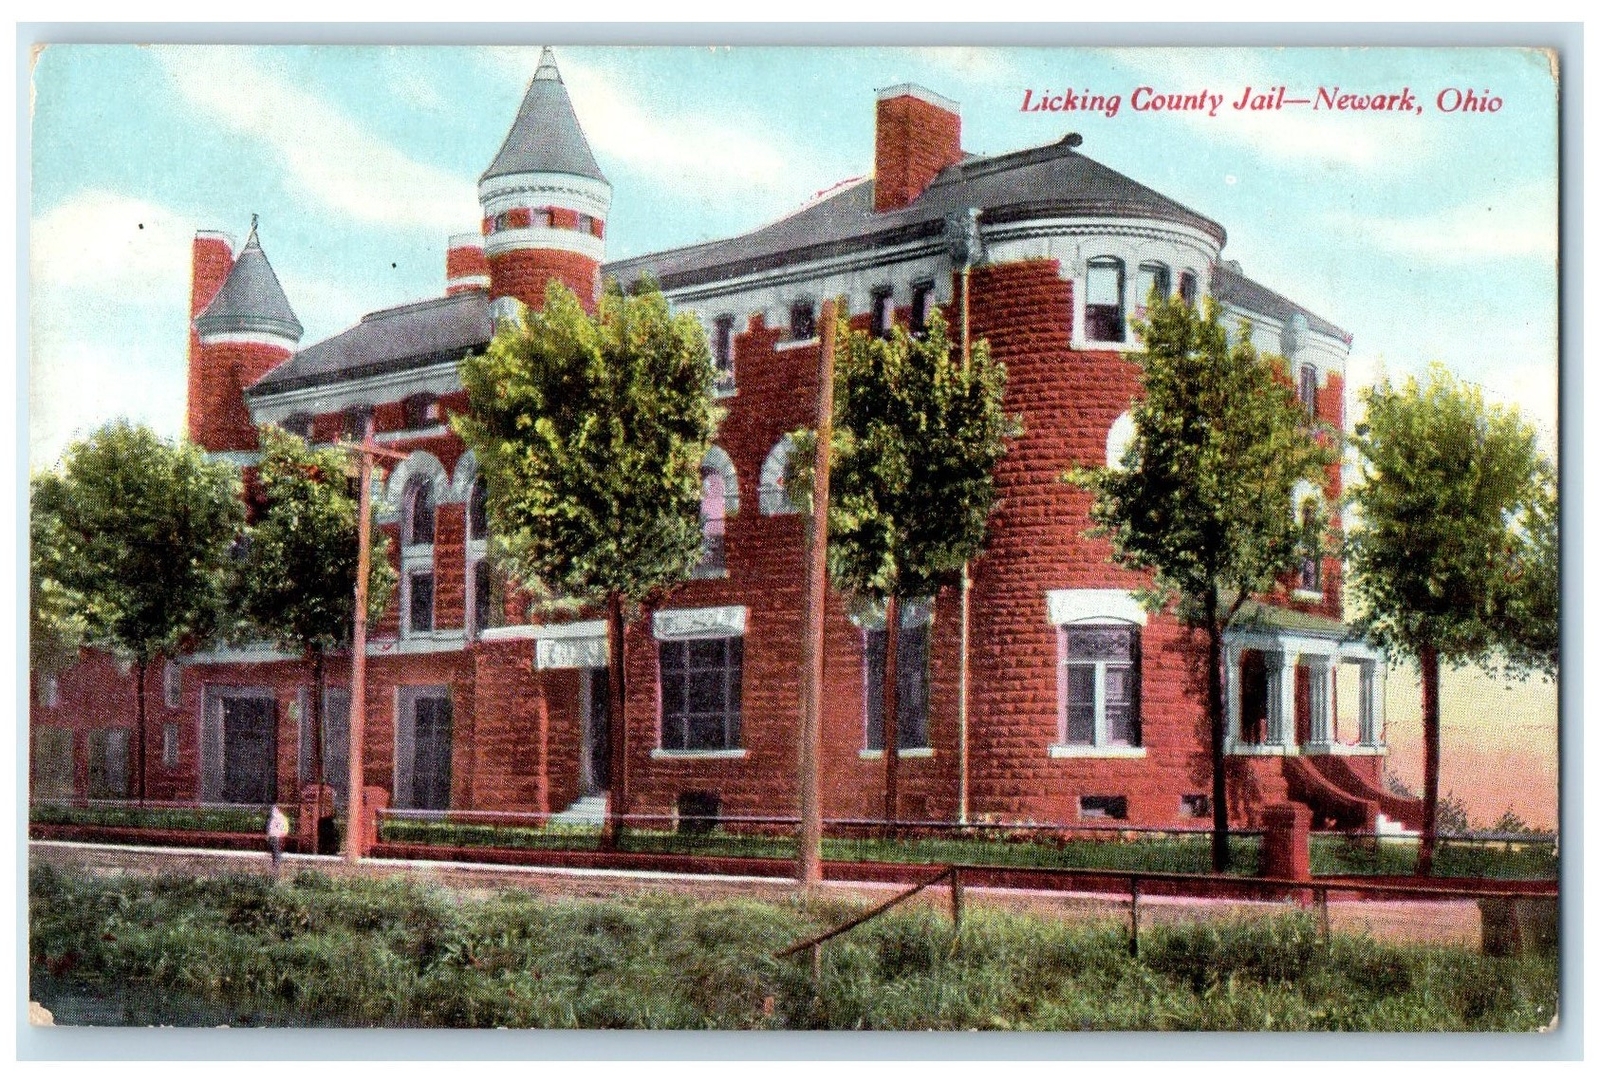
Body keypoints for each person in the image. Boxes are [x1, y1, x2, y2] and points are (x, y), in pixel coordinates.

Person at [267, 804, 291, 871]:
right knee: (275, 852)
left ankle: (275, 866)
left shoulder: (276, 818)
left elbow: (272, 828)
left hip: (275, 836)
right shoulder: (278, 817)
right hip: (275, 836)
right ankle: (275, 866)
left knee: (275, 852)